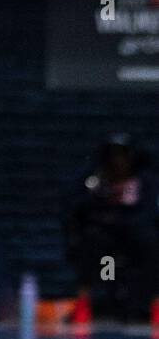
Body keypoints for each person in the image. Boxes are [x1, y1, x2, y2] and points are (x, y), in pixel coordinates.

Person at [63, 134, 159, 326]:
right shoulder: (96, 180)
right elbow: (78, 210)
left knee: (151, 246)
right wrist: (97, 198)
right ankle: (89, 301)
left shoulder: (145, 181)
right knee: (100, 255)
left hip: (136, 238)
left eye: (122, 155)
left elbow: (149, 212)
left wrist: (126, 221)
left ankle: (154, 303)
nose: (118, 160)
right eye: (113, 155)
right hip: (107, 243)